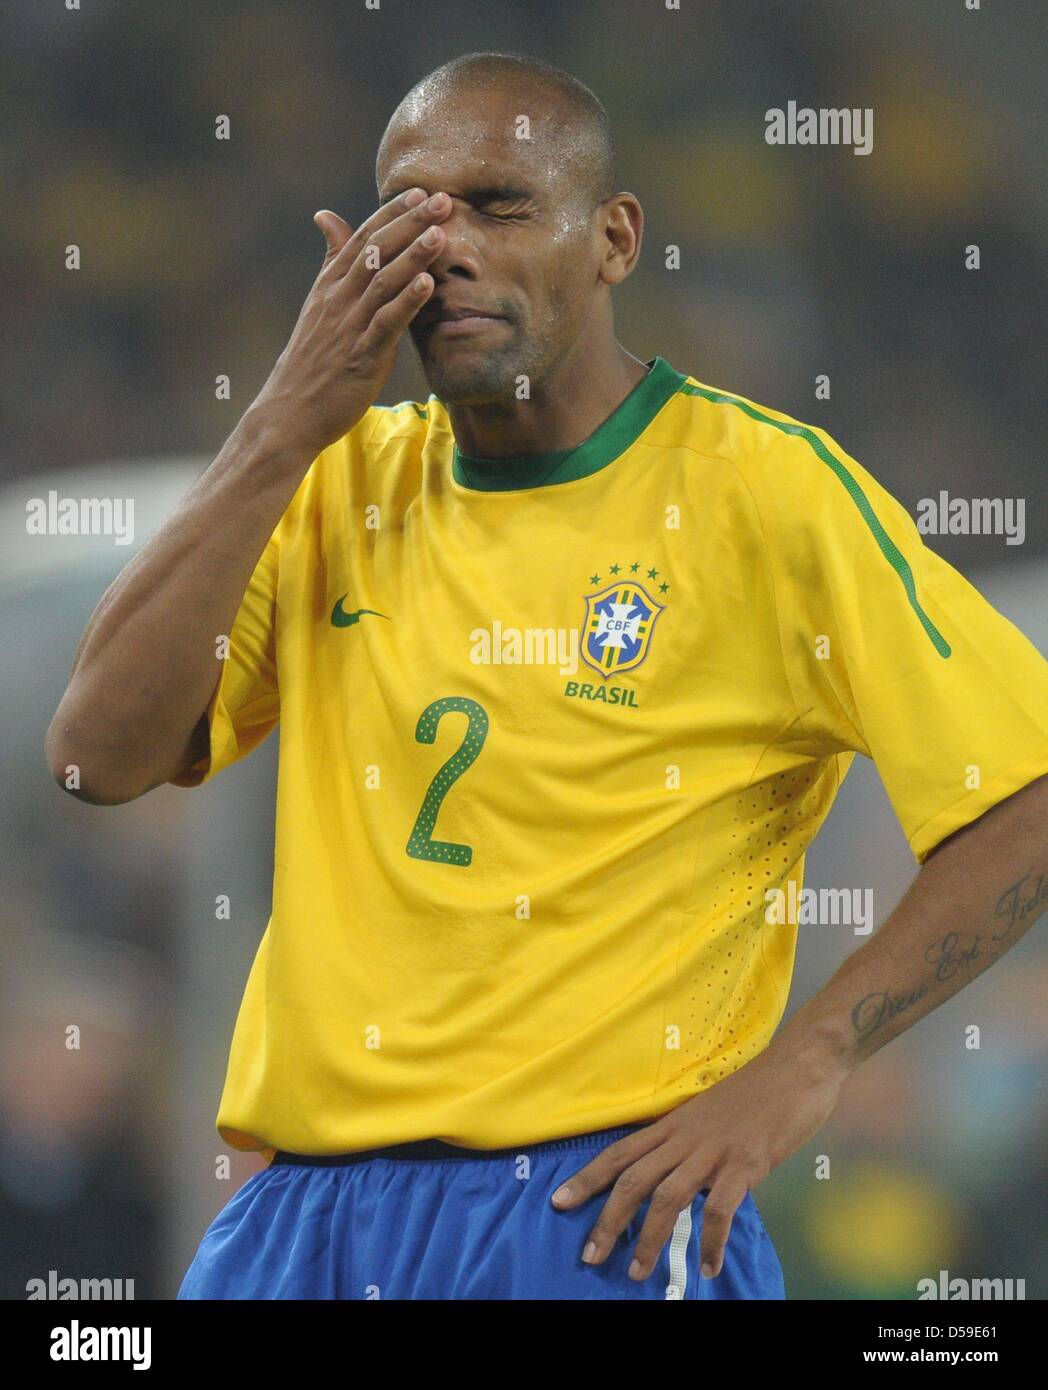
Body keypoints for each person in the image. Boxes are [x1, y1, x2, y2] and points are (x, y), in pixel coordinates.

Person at [46, 51, 1048, 1301]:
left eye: (500, 203)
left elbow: (1023, 795)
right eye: (410, 210)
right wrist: (277, 428)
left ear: (615, 238)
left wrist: (810, 1060)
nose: (446, 244)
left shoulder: (765, 494)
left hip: (596, 1211)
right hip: (300, 1221)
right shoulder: (329, 480)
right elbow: (94, 757)